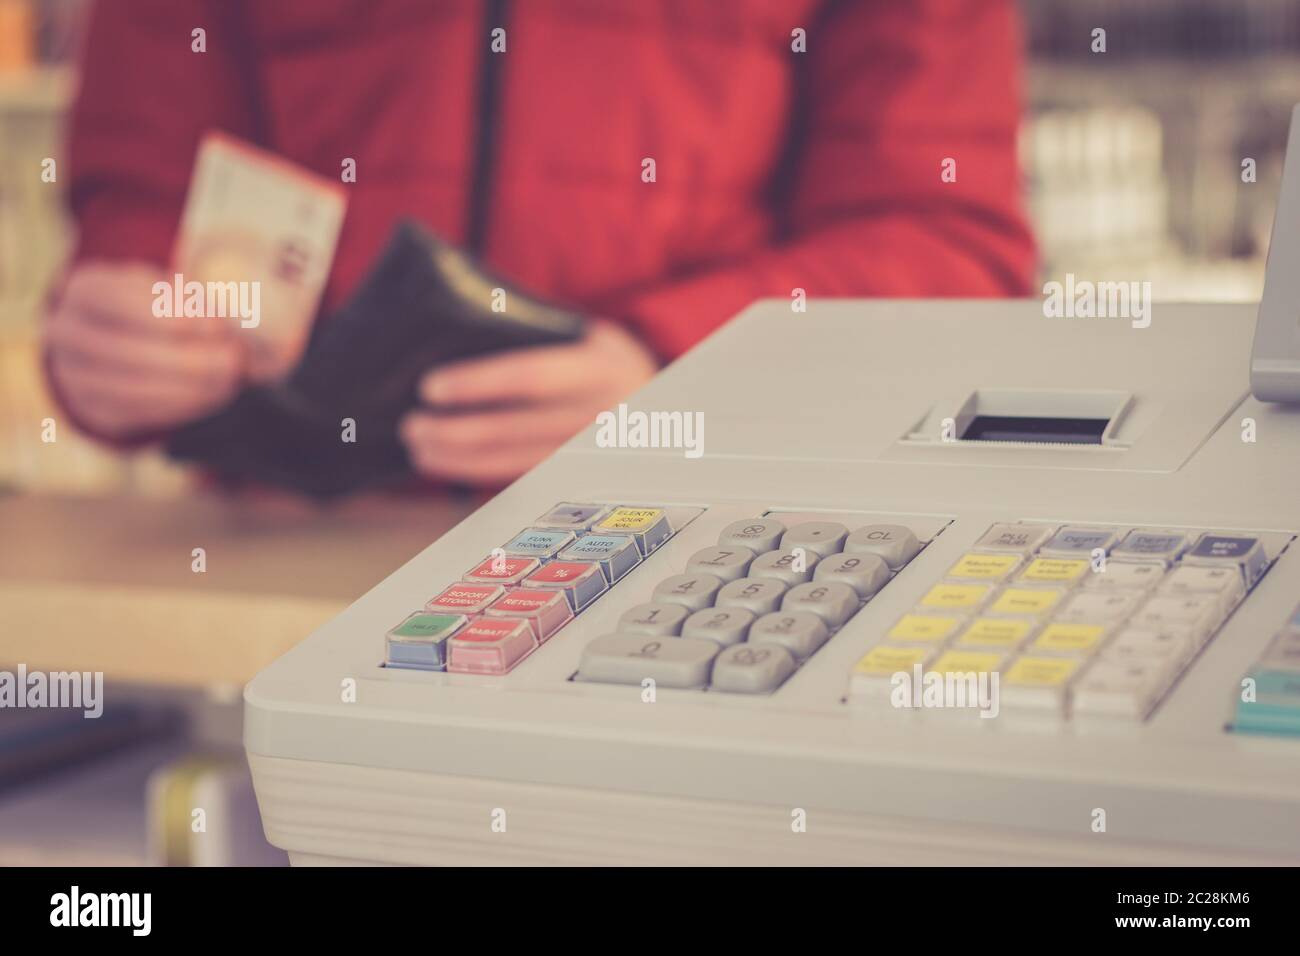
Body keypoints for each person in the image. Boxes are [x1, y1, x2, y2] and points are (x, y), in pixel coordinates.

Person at [45, 0, 1034, 487]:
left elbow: (949, 246)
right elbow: (140, 198)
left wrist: (675, 366)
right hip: (272, 570)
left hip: (683, 551)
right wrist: (119, 334)